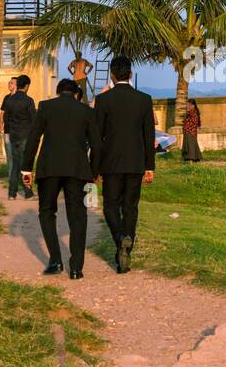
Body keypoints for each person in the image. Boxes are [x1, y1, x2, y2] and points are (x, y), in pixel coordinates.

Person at [21, 78, 99, 280]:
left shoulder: (46, 107)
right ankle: (76, 268)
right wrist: (94, 173)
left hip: (50, 168)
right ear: (75, 94)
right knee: (78, 216)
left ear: (58, 92)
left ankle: (55, 260)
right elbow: (98, 146)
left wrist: (26, 169)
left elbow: (34, 138)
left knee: (47, 211)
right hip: (77, 169)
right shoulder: (87, 111)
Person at [93, 55, 155, 274]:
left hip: (110, 164)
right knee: (131, 207)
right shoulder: (144, 99)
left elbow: (96, 137)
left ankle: (120, 238)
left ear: (111, 75)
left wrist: (95, 167)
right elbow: (149, 136)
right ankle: (126, 247)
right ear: (130, 74)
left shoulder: (103, 101)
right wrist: (150, 167)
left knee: (110, 206)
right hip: (136, 163)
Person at [0, 74, 36, 199]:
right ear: (26, 86)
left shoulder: (9, 100)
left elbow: (6, 119)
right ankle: (28, 192)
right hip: (25, 135)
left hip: (13, 135)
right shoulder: (29, 100)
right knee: (25, 165)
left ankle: (12, 193)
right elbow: (34, 119)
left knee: (15, 164)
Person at [1, 76, 18, 173]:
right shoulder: (6, 97)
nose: (9, 84)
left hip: (18, 130)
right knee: (9, 153)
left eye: (11, 83)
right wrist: (1, 124)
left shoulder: (21, 98)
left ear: (17, 85)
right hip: (7, 129)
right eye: (9, 83)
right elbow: (2, 112)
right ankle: (11, 175)